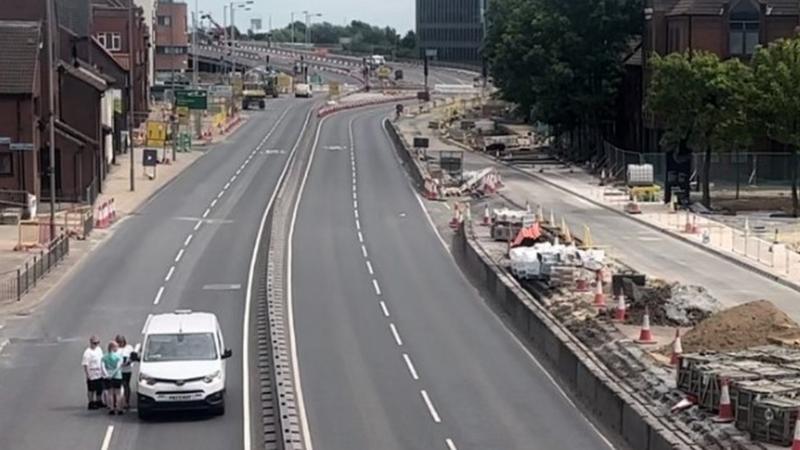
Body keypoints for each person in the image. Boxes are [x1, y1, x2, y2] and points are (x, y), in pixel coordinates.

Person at [81, 335, 104, 410]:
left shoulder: (99, 349)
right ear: (91, 343)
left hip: (99, 372)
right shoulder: (87, 352)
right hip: (92, 373)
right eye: (94, 343)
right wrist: (87, 375)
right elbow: (85, 364)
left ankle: (99, 401)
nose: (96, 344)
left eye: (97, 343)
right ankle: (91, 402)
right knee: (91, 389)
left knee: (99, 388)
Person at [101, 341, 123, 415]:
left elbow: (103, 367)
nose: (117, 348)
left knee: (110, 393)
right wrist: (113, 374)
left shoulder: (104, 356)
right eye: (116, 347)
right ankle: (119, 408)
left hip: (108, 377)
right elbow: (118, 367)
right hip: (117, 376)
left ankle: (112, 408)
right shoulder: (118, 356)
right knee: (118, 393)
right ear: (112, 348)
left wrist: (107, 374)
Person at [115, 335, 134, 410]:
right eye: (119, 342)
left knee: (126, 385)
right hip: (118, 370)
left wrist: (128, 362)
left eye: (122, 342)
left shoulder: (129, 348)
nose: (121, 344)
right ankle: (118, 402)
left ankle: (127, 402)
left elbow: (133, 357)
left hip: (127, 370)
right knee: (118, 387)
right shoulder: (115, 348)